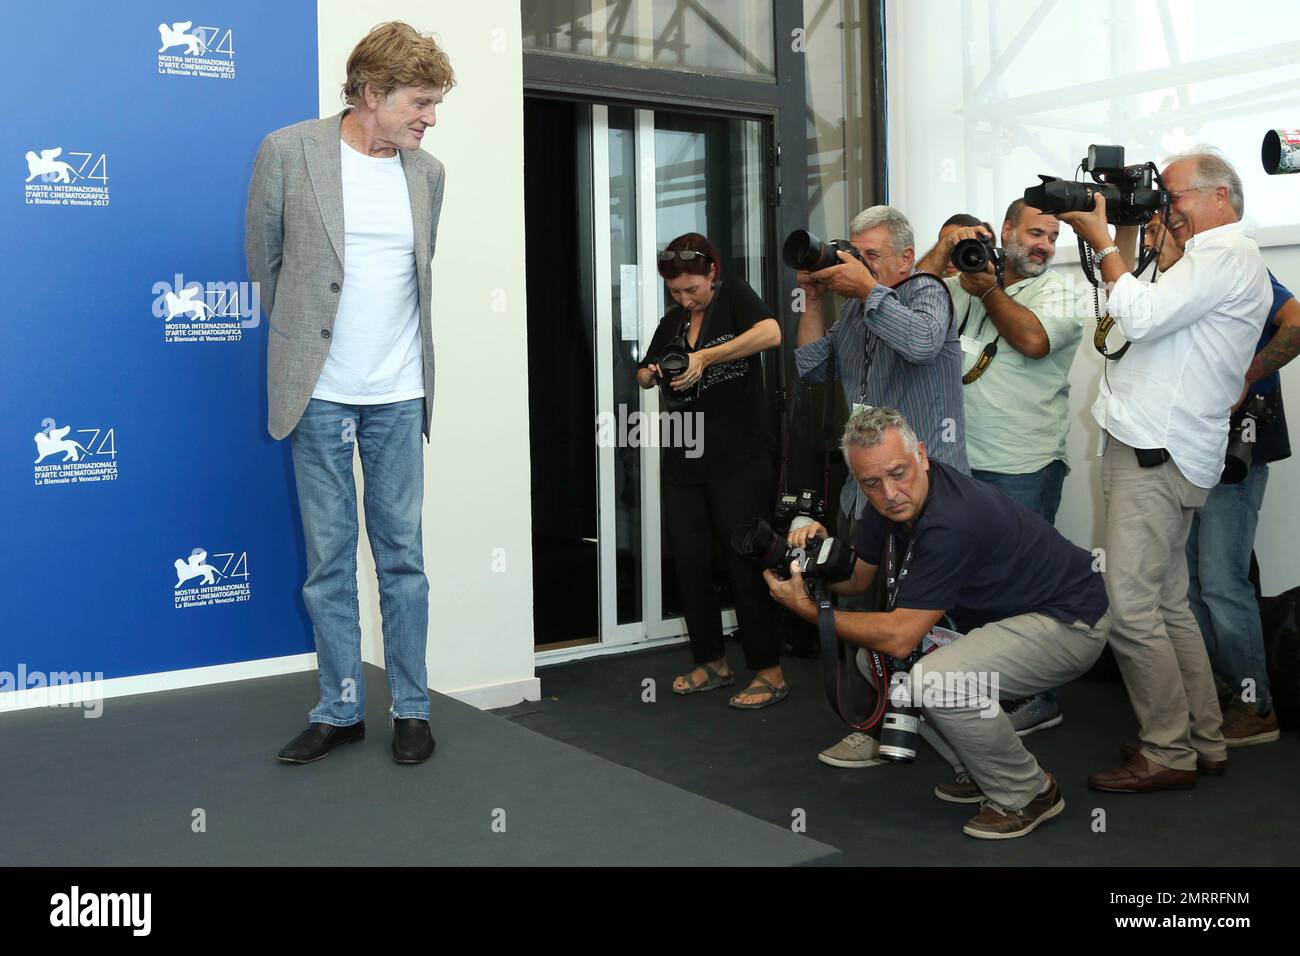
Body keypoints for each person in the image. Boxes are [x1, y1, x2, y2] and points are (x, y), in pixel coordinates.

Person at [245, 21, 453, 765]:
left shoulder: (425, 174)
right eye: (420, 102)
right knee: (329, 558)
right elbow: (264, 264)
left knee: (402, 556)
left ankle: (412, 708)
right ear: (372, 94)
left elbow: (419, 273)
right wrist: (310, 347)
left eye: (433, 104)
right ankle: (339, 708)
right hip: (319, 395)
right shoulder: (288, 151)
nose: (430, 118)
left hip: (399, 394)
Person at [767, 407, 1109, 839]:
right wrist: (813, 564)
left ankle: (1028, 792)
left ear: (923, 456)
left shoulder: (952, 520)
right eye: (872, 483)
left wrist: (810, 613)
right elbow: (857, 580)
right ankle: (979, 768)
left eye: (899, 473)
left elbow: (900, 635)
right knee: (871, 662)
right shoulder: (889, 502)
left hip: (1070, 624)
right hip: (1008, 621)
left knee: (933, 679)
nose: (890, 493)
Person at [1060, 148, 1273, 792]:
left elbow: (1141, 316)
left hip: (1155, 450)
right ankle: (1202, 739)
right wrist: (1120, 243)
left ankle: (1167, 751)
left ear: (1220, 198)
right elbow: (1125, 317)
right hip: (1167, 448)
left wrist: (1102, 239)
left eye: (1174, 195)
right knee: (1169, 602)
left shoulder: (1225, 253)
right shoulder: (1206, 260)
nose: (1165, 205)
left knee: (1129, 608)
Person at [791, 205, 967, 767]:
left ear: (905, 258)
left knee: (924, 621)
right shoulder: (853, 314)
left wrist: (869, 290)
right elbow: (811, 367)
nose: (854, 266)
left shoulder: (926, 293)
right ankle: (873, 723)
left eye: (870, 257)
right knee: (864, 606)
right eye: (853, 253)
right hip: (866, 493)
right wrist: (816, 300)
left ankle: (950, 731)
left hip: (928, 493)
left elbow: (918, 344)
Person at [917, 200, 1084, 735]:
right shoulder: (964, 281)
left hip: (1023, 464)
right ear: (1005, 231)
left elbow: (1034, 342)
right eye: (1035, 232)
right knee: (969, 587)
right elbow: (908, 309)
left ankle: (1038, 698)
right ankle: (979, 694)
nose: (1044, 245)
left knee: (1021, 588)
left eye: (1052, 236)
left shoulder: (1058, 288)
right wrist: (944, 251)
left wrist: (989, 290)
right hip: (960, 463)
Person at [1147, 214, 1299, 746]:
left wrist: (1247, 375)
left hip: (1239, 444)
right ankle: (1217, 697)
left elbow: (1296, 319)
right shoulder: (1172, 283)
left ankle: (1256, 708)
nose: (1148, 241)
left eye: (1155, 231)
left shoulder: (1235, 262)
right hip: (1188, 445)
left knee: (1220, 582)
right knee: (1185, 585)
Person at [636, 232, 786, 709]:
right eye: (676, 292)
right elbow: (642, 371)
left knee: (744, 560)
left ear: (712, 274)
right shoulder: (675, 319)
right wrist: (655, 371)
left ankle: (769, 670)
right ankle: (711, 662)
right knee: (691, 560)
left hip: (739, 456)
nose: (685, 299)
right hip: (686, 455)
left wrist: (705, 356)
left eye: (692, 289)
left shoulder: (736, 296)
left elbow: (772, 333)